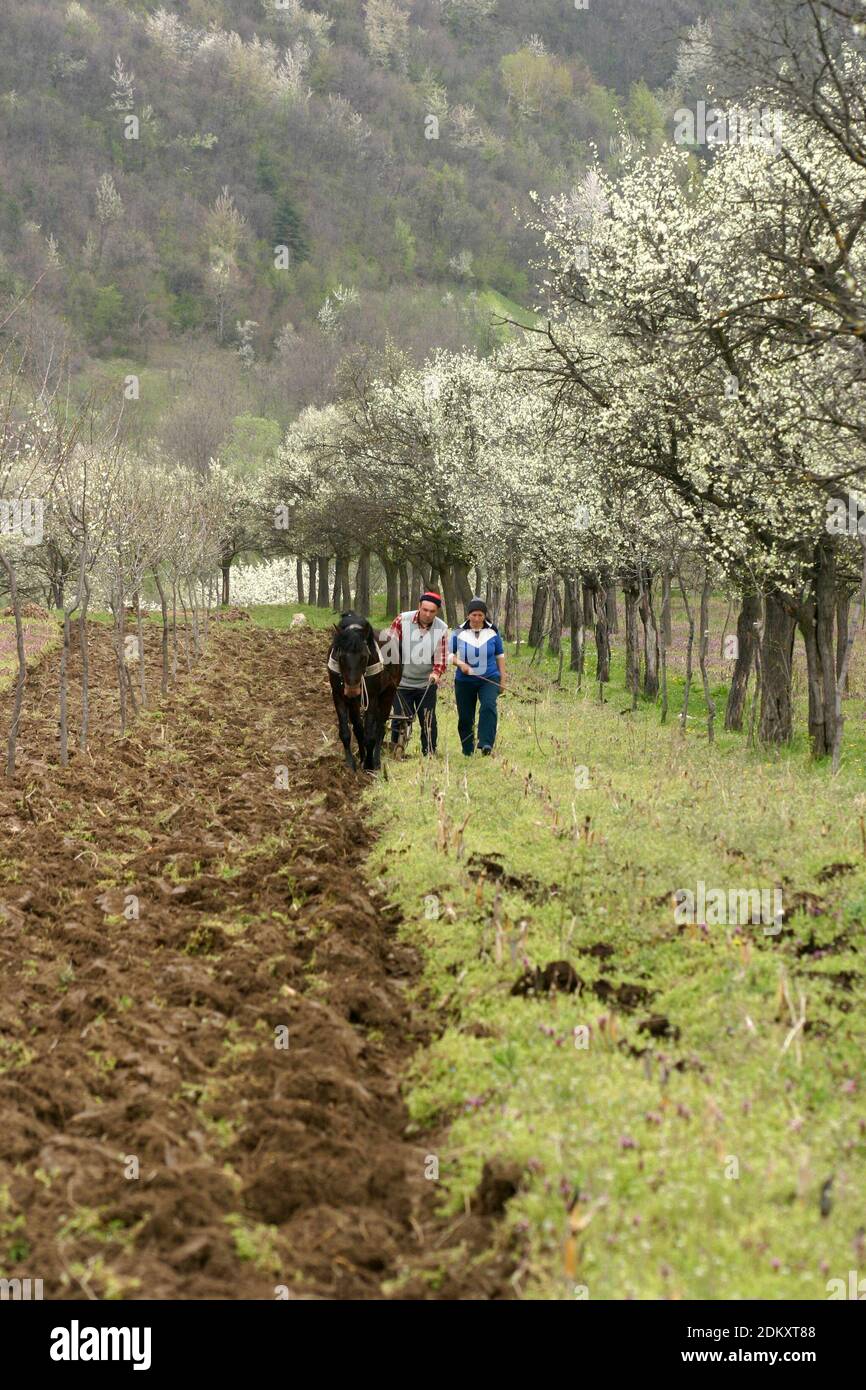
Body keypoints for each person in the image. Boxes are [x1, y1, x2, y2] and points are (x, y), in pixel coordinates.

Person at [386, 591, 448, 757]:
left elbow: (441, 659)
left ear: (437, 612)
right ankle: (396, 750)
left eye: (432, 611)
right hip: (402, 682)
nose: (427, 614)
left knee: (428, 720)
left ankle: (429, 752)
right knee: (399, 718)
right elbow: (389, 648)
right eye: (425, 610)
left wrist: (436, 673)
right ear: (419, 607)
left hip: (425, 683)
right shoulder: (402, 620)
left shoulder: (441, 628)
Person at [450, 597, 506, 756]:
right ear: (468, 615)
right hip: (464, 680)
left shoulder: (493, 631)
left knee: (488, 706)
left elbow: (500, 656)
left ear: (484, 616)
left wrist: (503, 679)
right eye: (474, 615)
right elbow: (449, 655)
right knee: (466, 717)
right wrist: (461, 664)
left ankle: (486, 743)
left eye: (480, 615)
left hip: (489, 677)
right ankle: (468, 749)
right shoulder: (458, 632)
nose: (476, 618)